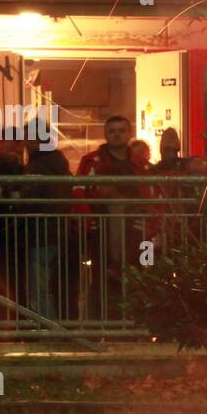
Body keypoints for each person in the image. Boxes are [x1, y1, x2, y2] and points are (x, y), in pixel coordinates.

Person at [74, 115, 143, 319]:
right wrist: (88, 222)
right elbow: (78, 193)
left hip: (136, 235)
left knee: (137, 277)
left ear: (129, 134)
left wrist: (150, 228)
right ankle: (100, 327)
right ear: (105, 134)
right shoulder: (90, 162)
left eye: (121, 130)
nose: (117, 135)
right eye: (112, 131)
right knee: (100, 281)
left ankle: (134, 326)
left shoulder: (141, 164)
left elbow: (150, 197)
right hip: (100, 232)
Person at [21, 118, 73, 319]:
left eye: (29, 138)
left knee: (38, 291)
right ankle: (59, 329)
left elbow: (30, 200)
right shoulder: (59, 163)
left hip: (40, 234)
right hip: (58, 231)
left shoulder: (37, 167)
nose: (25, 142)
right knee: (53, 287)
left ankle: (47, 333)